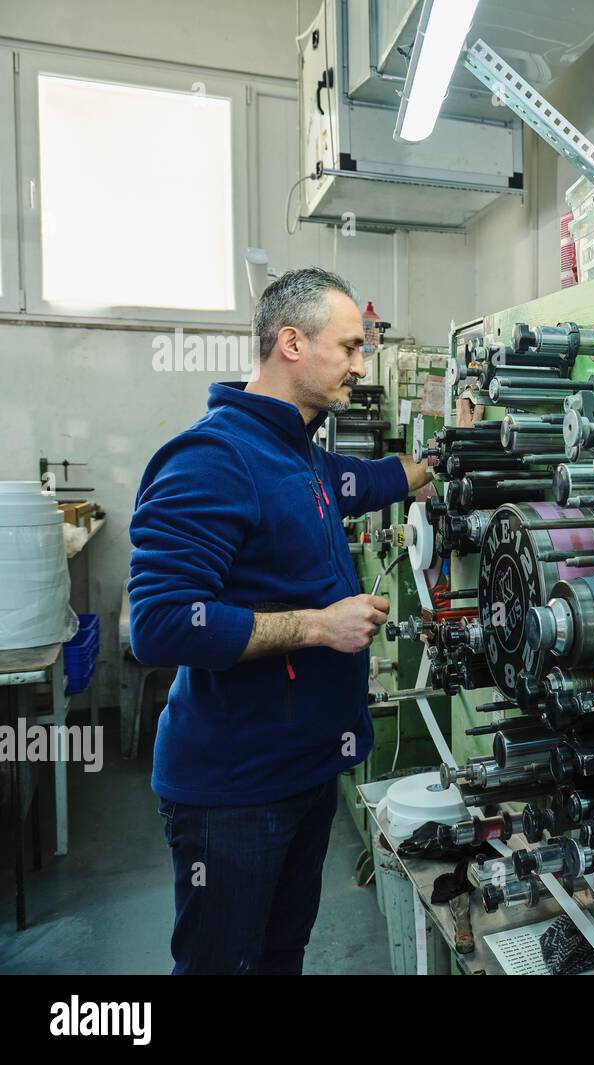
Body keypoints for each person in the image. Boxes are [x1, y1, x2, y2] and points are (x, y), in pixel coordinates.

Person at [129, 267, 431, 974]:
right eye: (351, 347)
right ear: (291, 342)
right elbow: (162, 623)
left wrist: (441, 459)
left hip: (303, 776)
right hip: (234, 794)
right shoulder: (213, 458)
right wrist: (318, 627)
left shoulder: (305, 458)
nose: (362, 366)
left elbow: (375, 481)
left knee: (277, 957)